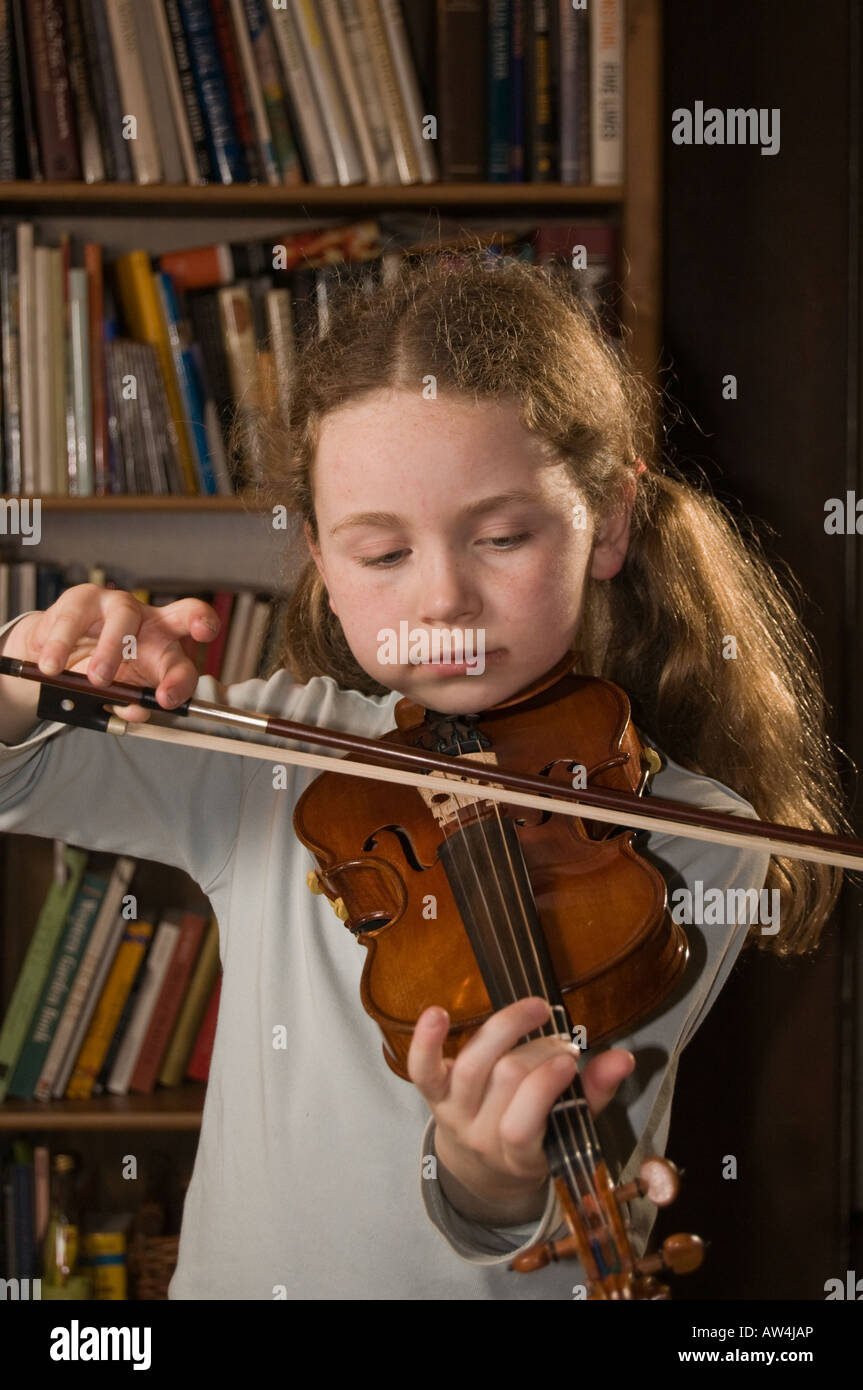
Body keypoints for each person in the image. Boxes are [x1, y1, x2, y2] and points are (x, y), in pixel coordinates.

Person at [0, 250, 846, 1299]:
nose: (441, 598)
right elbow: (16, 780)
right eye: (381, 553)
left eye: (499, 535)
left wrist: (487, 1174)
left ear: (608, 523)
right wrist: (35, 674)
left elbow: (559, 1171)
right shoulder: (272, 755)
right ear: (317, 554)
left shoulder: (691, 838)